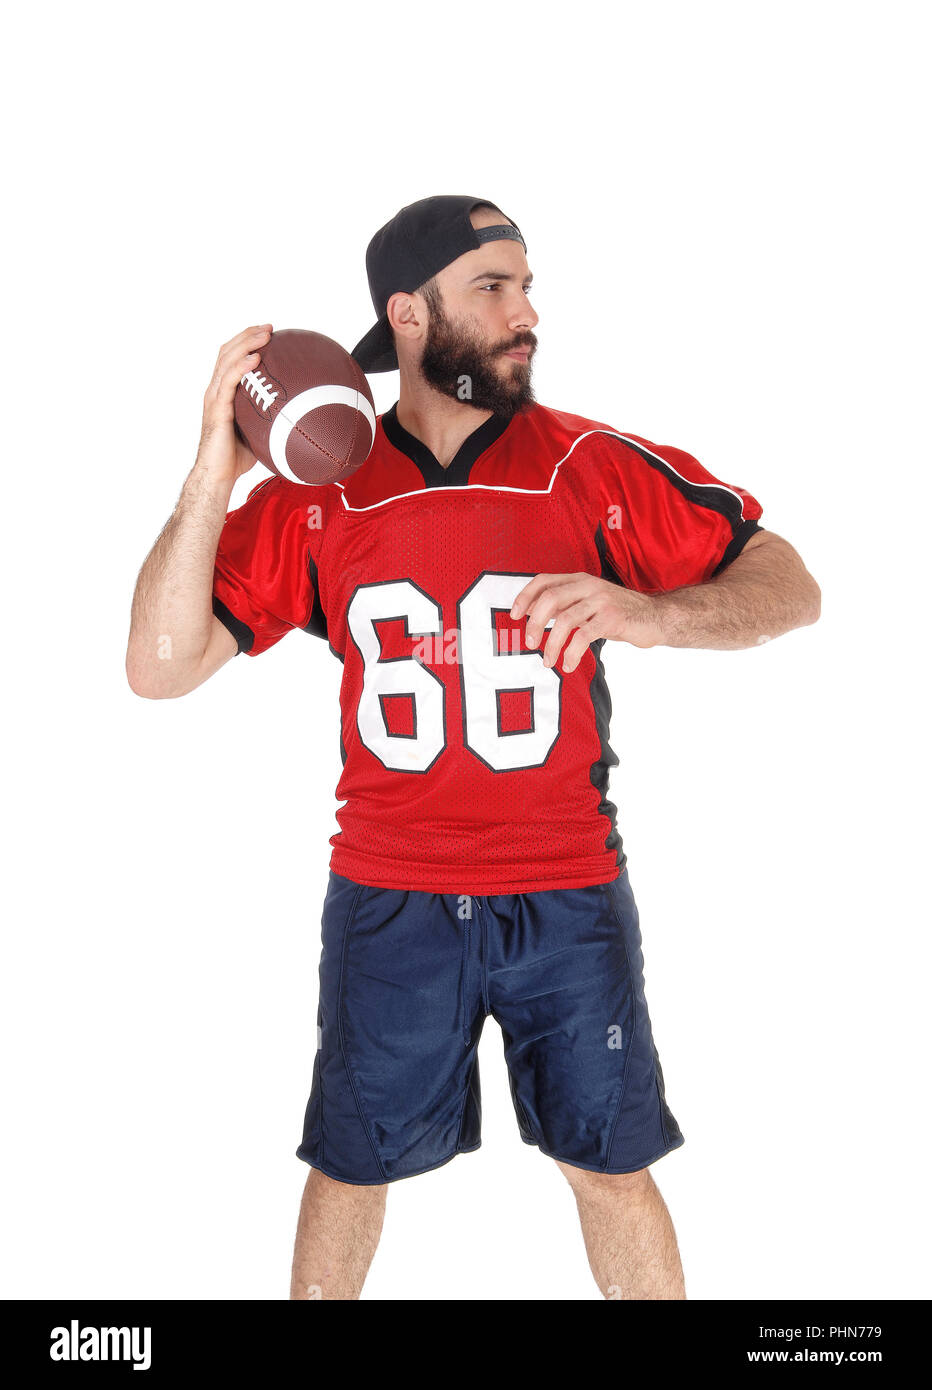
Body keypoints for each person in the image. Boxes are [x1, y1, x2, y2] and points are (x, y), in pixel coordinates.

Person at [126, 195, 821, 1301]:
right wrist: (216, 465)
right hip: (388, 893)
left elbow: (788, 581)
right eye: (492, 286)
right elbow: (159, 664)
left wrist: (652, 614)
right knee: (349, 1171)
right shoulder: (318, 494)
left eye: (528, 285)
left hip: (566, 892)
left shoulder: (589, 464)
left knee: (609, 1168)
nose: (526, 312)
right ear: (407, 313)